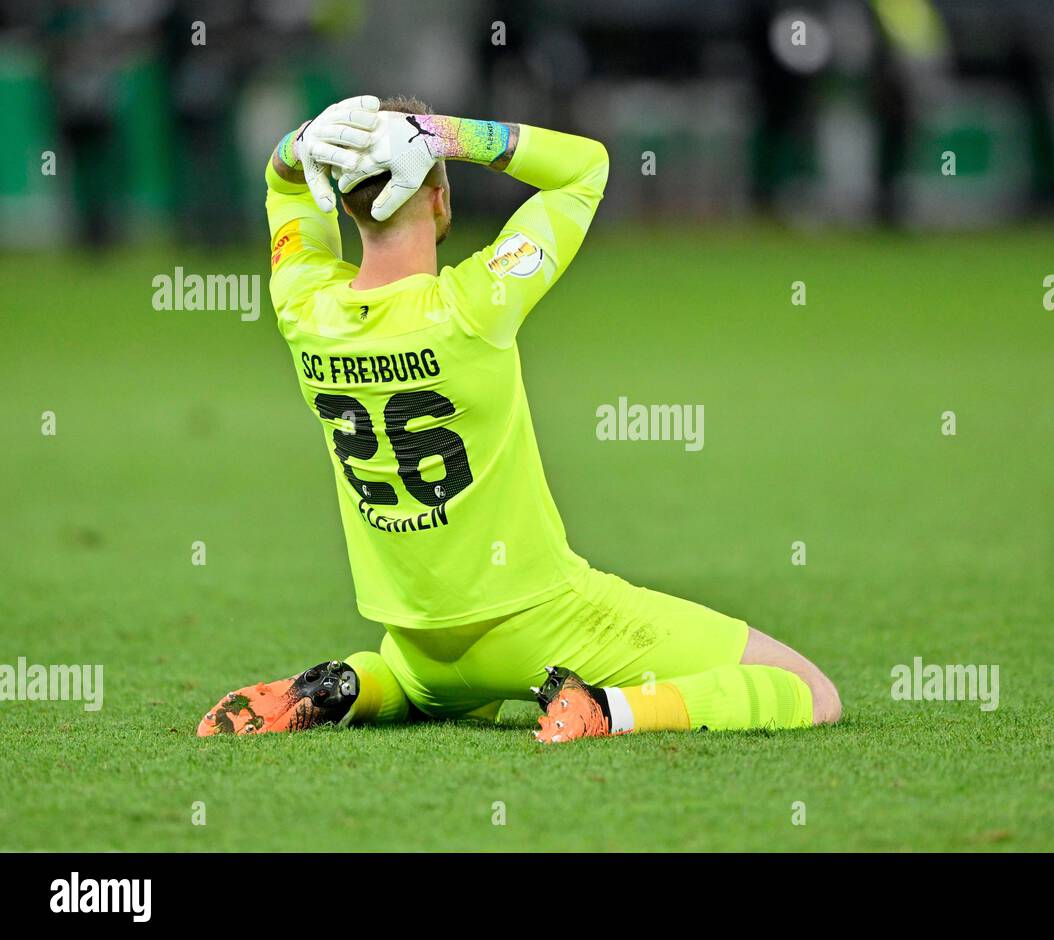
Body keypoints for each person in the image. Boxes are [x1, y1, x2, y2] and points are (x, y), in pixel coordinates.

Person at [197, 96, 841, 743]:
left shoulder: (303, 308)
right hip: (542, 624)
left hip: (420, 648)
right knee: (810, 693)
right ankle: (607, 710)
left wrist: (302, 141)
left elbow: (281, 184)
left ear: (344, 202)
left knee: (439, 691)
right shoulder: (474, 305)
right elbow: (584, 167)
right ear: (440, 195)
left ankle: (352, 688)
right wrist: (450, 135)